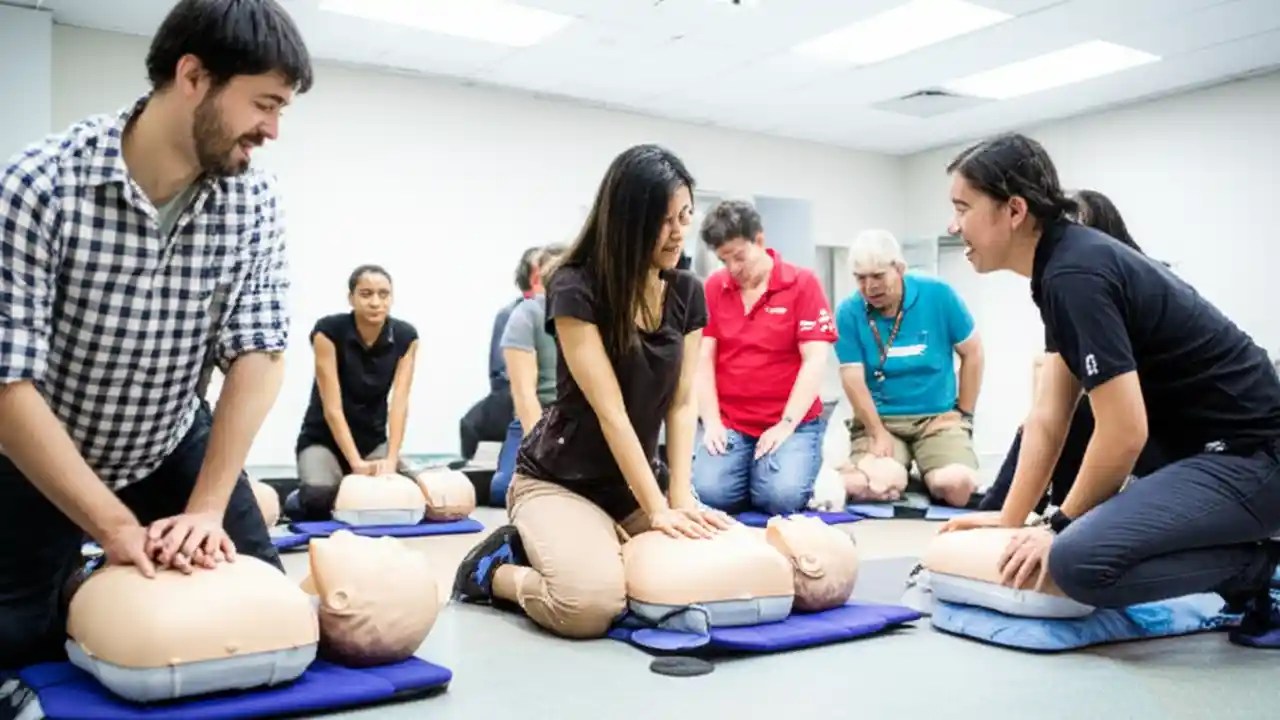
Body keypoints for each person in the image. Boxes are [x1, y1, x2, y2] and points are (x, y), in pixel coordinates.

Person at [0, 0, 312, 670]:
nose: (272, 129)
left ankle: (88, 584)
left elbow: (258, 353)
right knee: (16, 640)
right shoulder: (38, 186)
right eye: (264, 103)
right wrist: (112, 527)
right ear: (193, 76)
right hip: (45, 449)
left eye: (282, 108)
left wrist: (205, 510)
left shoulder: (253, 202)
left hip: (171, 437)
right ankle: (74, 585)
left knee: (264, 617)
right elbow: (6, 382)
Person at [941, 132, 1280, 649]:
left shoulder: (1075, 271)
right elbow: (1050, 417)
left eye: (962, 208)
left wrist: (1056, 526)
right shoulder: (1056, 270)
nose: (953, 225)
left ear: (1013, 210)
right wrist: (1007, 520)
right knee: (1073, 536)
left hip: (1255, 457)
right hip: (1209, 456)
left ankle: (1262, 570)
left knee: (1078, 561)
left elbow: (1124, 433)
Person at [450, 144, 733, 638]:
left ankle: (600, 540)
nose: (678, 232)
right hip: (561, 478)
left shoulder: (687, 291)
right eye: (663, 221)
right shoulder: (575, 287)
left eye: (685, 216)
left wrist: (680, 497)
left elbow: (683, 403)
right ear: (627, 221)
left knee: (710, 568)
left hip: (633, 479)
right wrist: (659, 510)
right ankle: (494, 570)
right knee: (589, 607)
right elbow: (612, 413)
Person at [977, 189, 1168, 514]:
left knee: (1080, 417)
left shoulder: (1121, 281)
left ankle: (1056, 511)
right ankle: (1003, 510)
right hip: (1113, 410)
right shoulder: (1064, 287)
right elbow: (1056, 387)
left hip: (1158, 421)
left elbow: (1125, 412)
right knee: (1046, 422)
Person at [690, 200, 836, 515]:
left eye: (739, 257)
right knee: (708, 493)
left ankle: (789, 468)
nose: (733, 269)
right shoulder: (715, 287)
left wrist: (785, 424)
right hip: (733, 422)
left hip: (791, 422)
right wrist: (711, 422)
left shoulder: (802, 284)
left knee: (780, 499)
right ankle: (753, 470)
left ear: (759, 240)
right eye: (723, 259)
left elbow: (815, 360)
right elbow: (703, 359)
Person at [832, 229, 984, 507]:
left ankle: (927, 474)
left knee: (956, 488)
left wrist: (964, 414)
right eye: (861, 278)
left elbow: (973, 352)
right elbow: (852, 378)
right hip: (881, 420)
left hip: (937, 419)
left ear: (899, 269)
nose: (870, 287)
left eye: (878, 276)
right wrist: (876, 432)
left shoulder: (938, 295)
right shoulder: (849, 312)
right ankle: (898, 471)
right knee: (878, 486)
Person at [293, 265, 420, 520]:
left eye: (384, 294)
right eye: (366, 294)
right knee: (318, 499)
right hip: (323, 440)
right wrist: (356, 464)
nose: (375, 302)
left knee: (410, 493)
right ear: (351, 298)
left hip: (372, 441)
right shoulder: (328, 332)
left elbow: (400, 403)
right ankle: (296, 496)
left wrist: (392, 458)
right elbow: (332, 407)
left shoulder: (407, 337)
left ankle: (350, 482)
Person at [489, 243, 567, 506]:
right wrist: (540, 450)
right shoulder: (527, 314)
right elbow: (524, 392)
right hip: (537, 417)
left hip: (578, 420)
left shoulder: (592, 315)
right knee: (504, 488)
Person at [458, 247, 541, 461]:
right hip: (515, 389)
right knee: (469, 424)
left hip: (554, 391)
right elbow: (499, 372)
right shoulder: (510, 314)